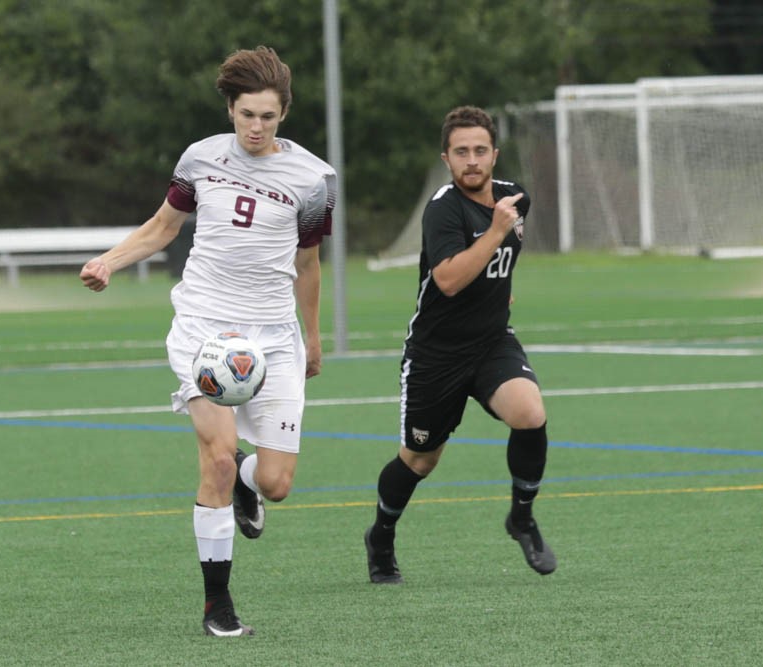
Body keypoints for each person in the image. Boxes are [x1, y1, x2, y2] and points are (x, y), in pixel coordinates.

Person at [80, 46, 336, 636]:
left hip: (273, 337)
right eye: (246, 114)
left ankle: (250, 480)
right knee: (216, 460)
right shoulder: (200, 159)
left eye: (268, 116)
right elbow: (162, 227)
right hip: (203, 327)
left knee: (276, 483)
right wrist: (110, 261)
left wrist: (312, 339)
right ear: (230, 108)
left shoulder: (313, 179)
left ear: (284, 114)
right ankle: (217, 606)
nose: (255, 127)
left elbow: (309, 263)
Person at [363, 105, 555, 584]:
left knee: (530, 413)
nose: (472, 160)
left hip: (491, 344)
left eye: (481, 150)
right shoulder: (442, 209)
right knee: (420, 460)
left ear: (495, 154)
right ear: (446, 158)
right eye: (461, 152)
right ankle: (381, 535)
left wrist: (501, 286)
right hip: (437, 354)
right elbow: (447, 280)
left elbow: (505, 258)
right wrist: (494, 232)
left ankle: (522, 518)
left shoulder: (516, 199)